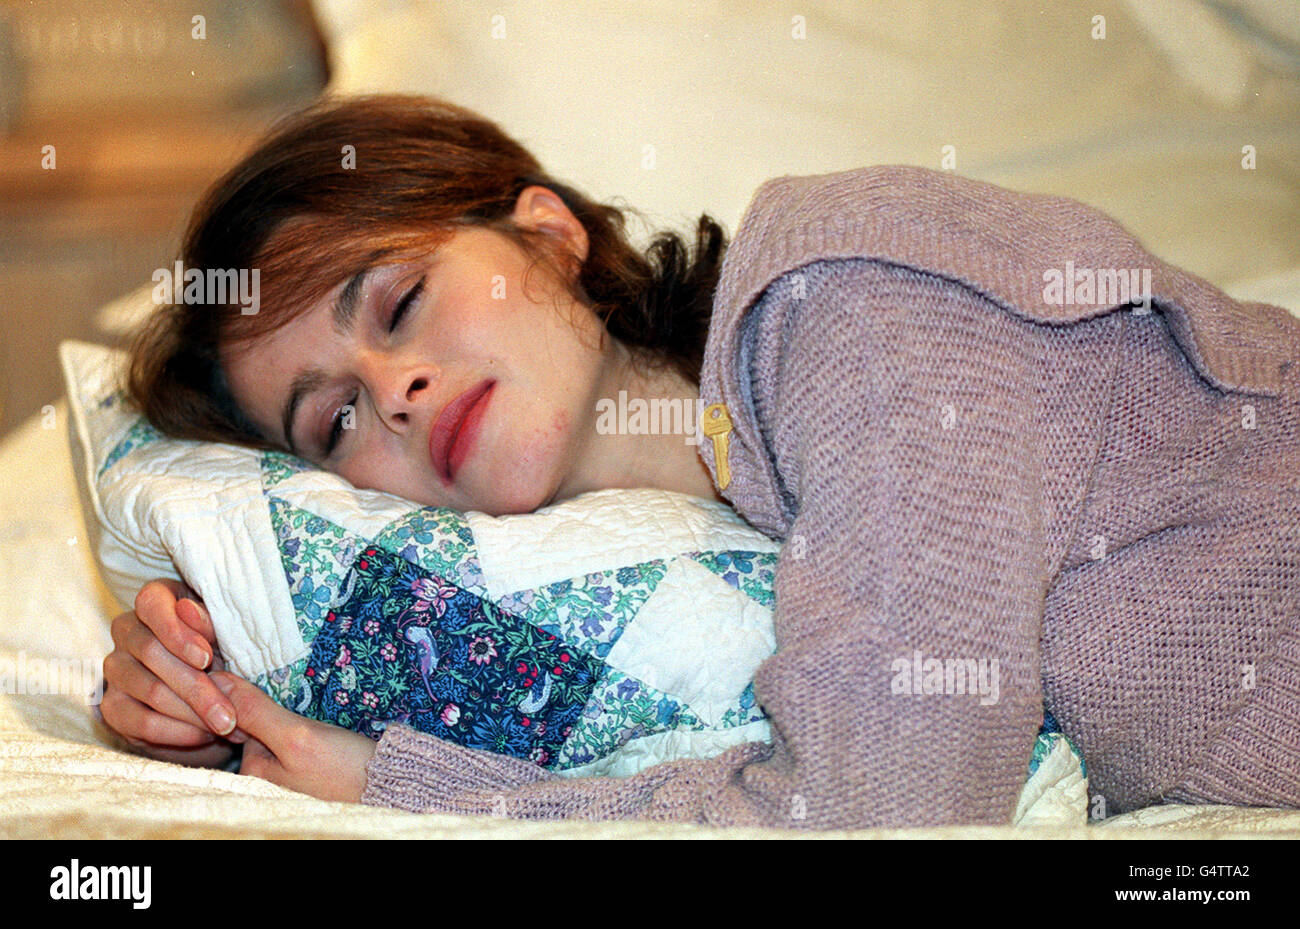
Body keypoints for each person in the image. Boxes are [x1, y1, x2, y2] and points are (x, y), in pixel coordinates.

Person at [100, 94, 1300, 828]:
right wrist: (213, 673)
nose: (395, 393)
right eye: (334, 422)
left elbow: (881, 806)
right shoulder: (714, 516)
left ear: (550, 234)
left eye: (402, 301)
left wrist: (402, 786)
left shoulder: (842, 299)